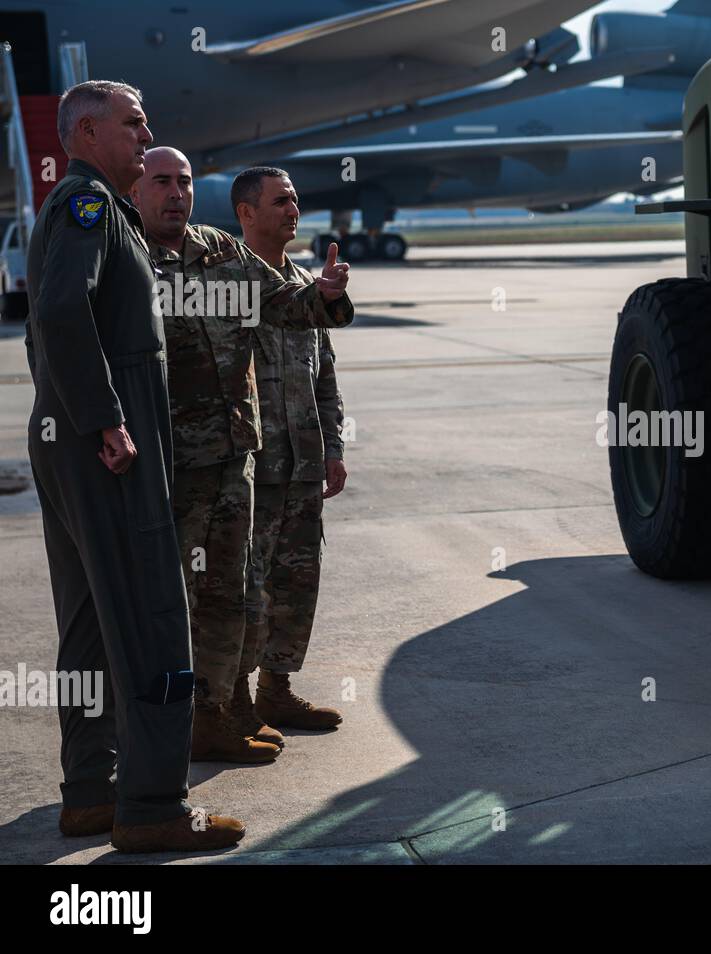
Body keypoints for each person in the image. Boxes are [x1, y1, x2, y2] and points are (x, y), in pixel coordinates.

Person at [25, 81, 242, 852]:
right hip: (107, 449)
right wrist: (108, 419)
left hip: (70, 442)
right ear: (86, 134)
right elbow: (58, 309)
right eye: (133, 124)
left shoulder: (90, 207)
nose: (147, 137)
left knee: (88, 623)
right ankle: (152, 806)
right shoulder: (87, 206)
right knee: (152, 619)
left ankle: (90, 792)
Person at [130, 147, 353, 762]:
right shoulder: (123, 254)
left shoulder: (221, 254)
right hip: (167, 464)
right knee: (172, 602)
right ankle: (159, 732)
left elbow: (289, 308)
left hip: (236, 457)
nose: (176, 193)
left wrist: (325, 294)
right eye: (162, 182)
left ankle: (224, 712)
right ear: (136, 187)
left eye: (185, 182)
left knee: (233, 598)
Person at [233, 167, 346, 732]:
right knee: (243, 587)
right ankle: (236, 700)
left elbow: (323, 375)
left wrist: (333, 445)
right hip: (251, 466)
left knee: (298, 581)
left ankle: (277, 690)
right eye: (280, 202)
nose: (293, 210)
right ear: (246, 213)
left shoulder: (307, 285)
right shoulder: (228, 284)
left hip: (302, 463)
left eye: (296, 200)